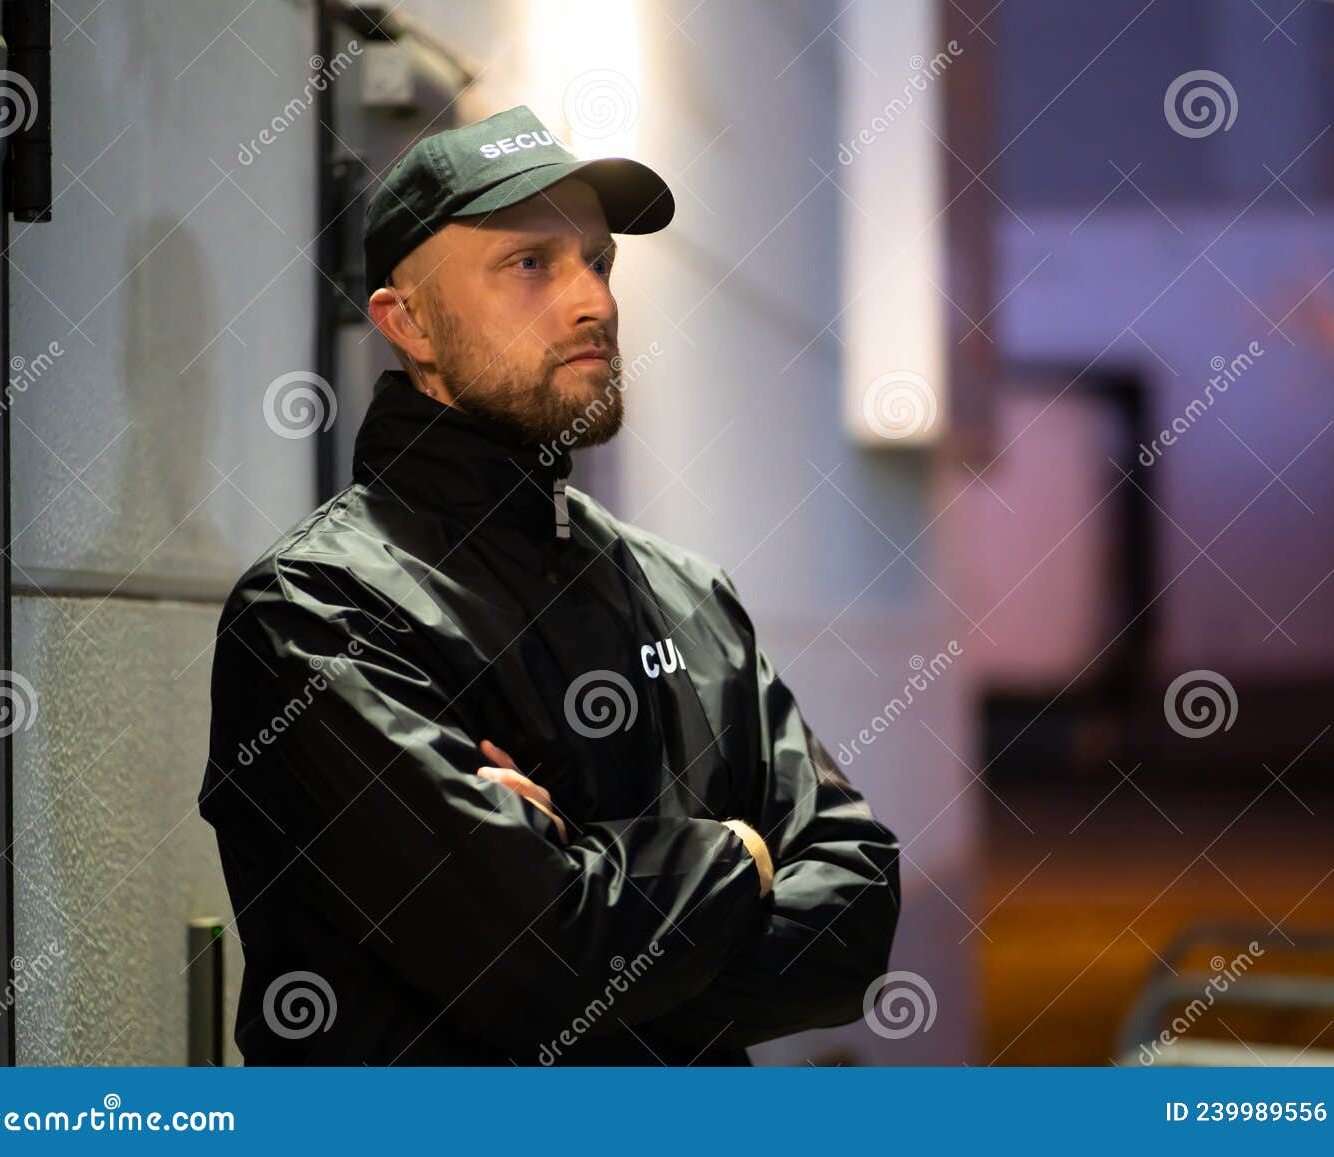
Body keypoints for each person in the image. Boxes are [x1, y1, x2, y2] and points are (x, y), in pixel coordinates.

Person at [199, 105, 901, 1065]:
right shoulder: (316, 613)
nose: (595, 304)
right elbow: (544, 954)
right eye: (530, 264)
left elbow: (856, 913)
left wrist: (590, 888)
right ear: (408, 323)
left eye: (600, 262)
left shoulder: (686, 591)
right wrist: (744, 851)